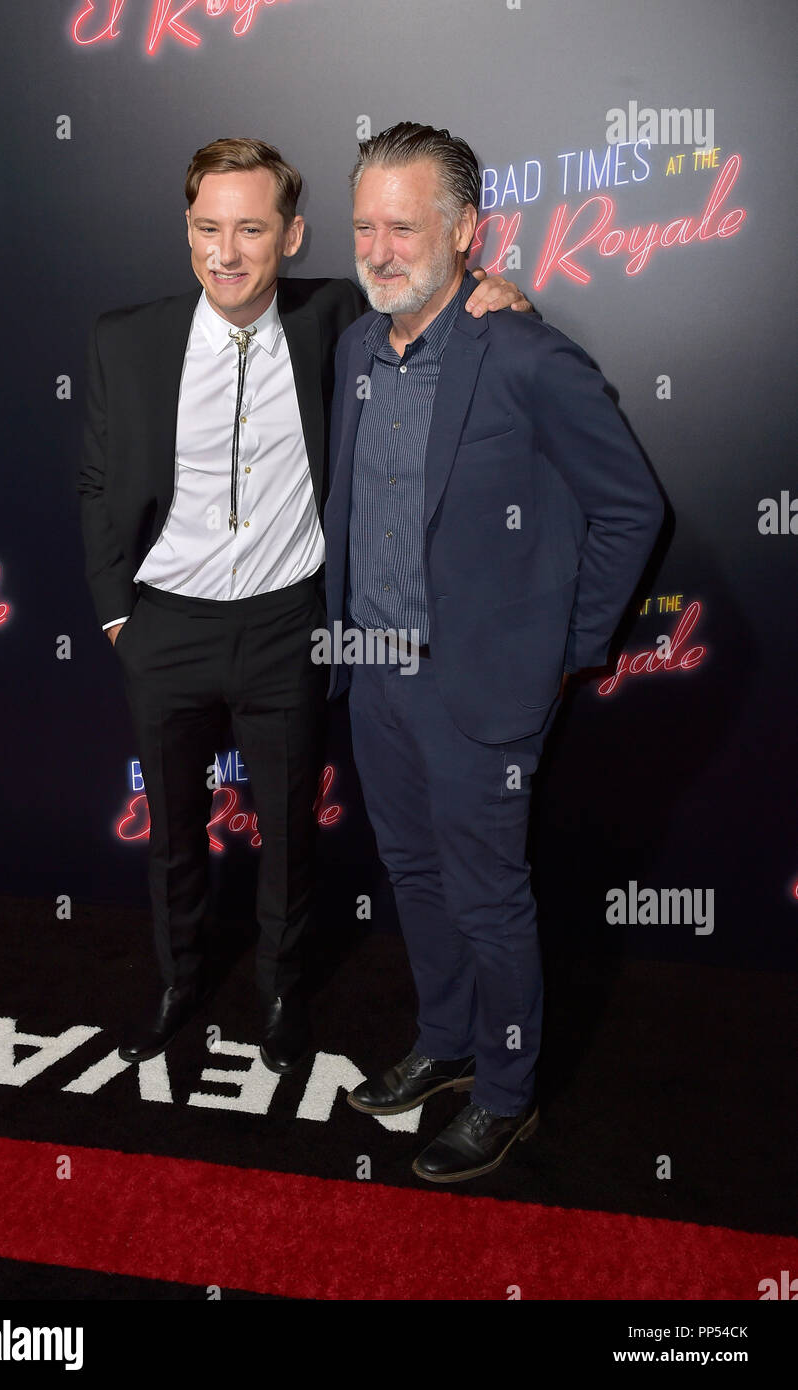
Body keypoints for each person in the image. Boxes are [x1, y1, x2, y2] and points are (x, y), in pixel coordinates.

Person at [77, 136, 527, 1073]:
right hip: (166, 624)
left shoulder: (335, 315)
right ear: (187, 230)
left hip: (289, 626)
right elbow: (96, 481)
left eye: (251, 229)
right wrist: (118, 611)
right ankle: (178, 979)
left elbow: (430, 279)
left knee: (287, 835)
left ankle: (282, 996)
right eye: (208, 227)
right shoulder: (126, 339)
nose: (226, 252)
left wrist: (499, 289)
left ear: (292, 237)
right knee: (172, 834)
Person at [324, 123, 665, 1181]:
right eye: (363, 225)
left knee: (485, 896)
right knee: (415, 876)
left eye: (404, 225)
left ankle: (508, 1096)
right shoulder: (353, 345)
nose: (379, 248)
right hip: (372, 665)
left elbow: (631, 508)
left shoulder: (522, 351)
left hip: (479, 686)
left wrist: (557, 652)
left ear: (466, 230)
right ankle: (446, 1044)